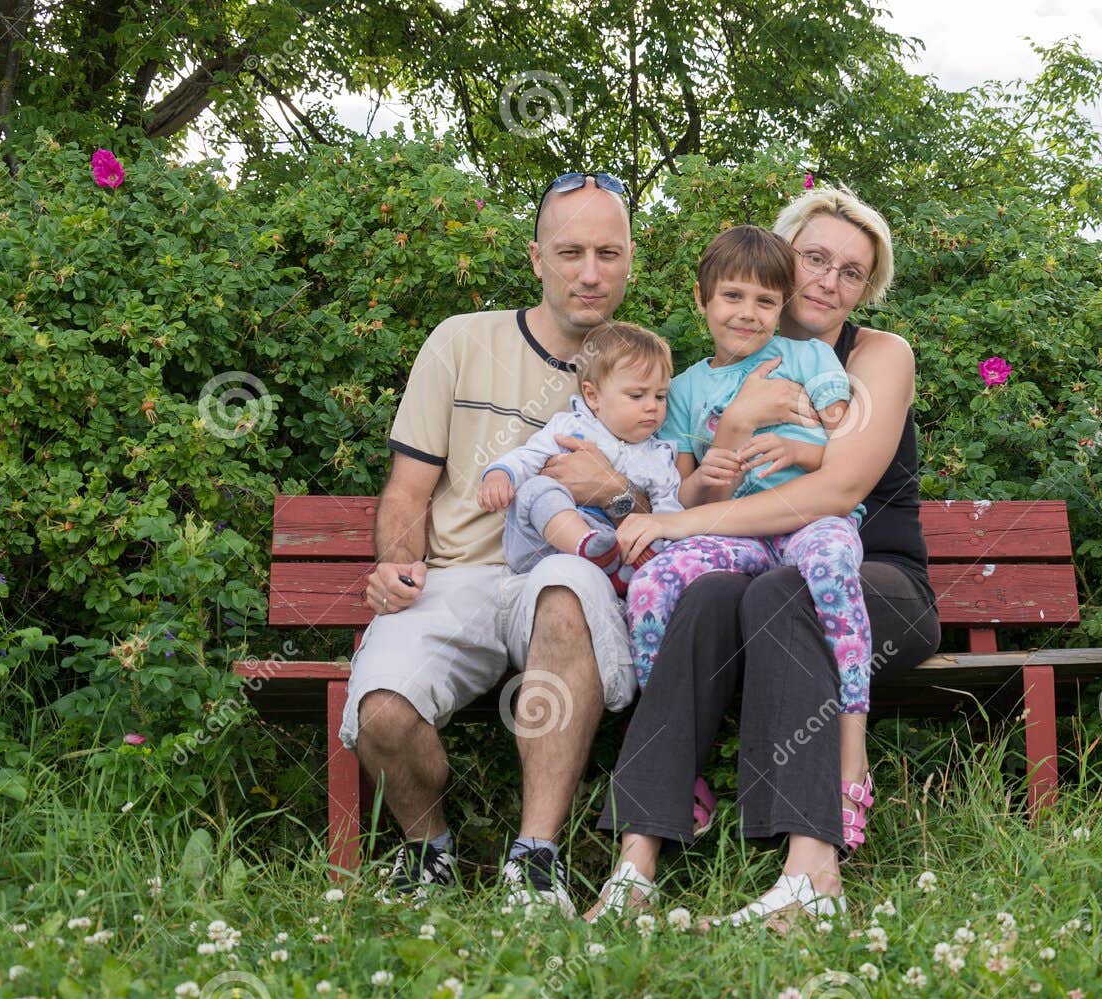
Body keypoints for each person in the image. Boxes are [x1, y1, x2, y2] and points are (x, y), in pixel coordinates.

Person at [590, 184, 941, 930]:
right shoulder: (721, 370)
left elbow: (835, 487)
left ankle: (813, 869)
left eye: (852, 271)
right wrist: (733, 430)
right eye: (815, 258)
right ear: (784, 262)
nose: (828, 280)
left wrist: (688, 523)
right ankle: (638, 853)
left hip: (877, 577)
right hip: (763, 559)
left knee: (781, 589)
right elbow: (699, 471)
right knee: (707, 596)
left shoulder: (877, 356)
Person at [342, 172, 653, 918]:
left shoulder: (642, 366)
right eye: (570, 251)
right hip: (453, 578)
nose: (589, 271)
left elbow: (663, 513)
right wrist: (393, 564)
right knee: (382, 714)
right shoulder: (460, 341)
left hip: (566, 573)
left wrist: (609, 485)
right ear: (536, 257)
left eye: (607, 253)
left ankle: (535, 861)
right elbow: (408, 490)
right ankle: (430, 850)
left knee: (568, 588)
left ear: (630, 260)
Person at [479, 322, 681, 596]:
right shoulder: (570, 427)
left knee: (652, 534)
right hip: (538, 544)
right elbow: (529, 456)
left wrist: (660, 540)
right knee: (537, 489)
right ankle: (585, 546)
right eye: (636, 395)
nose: (651, 406)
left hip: (607, 550)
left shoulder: (659, 457)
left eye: (660, 396)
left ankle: (613, 565)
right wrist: (500, 474)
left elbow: (668, 513)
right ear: (593, 395)